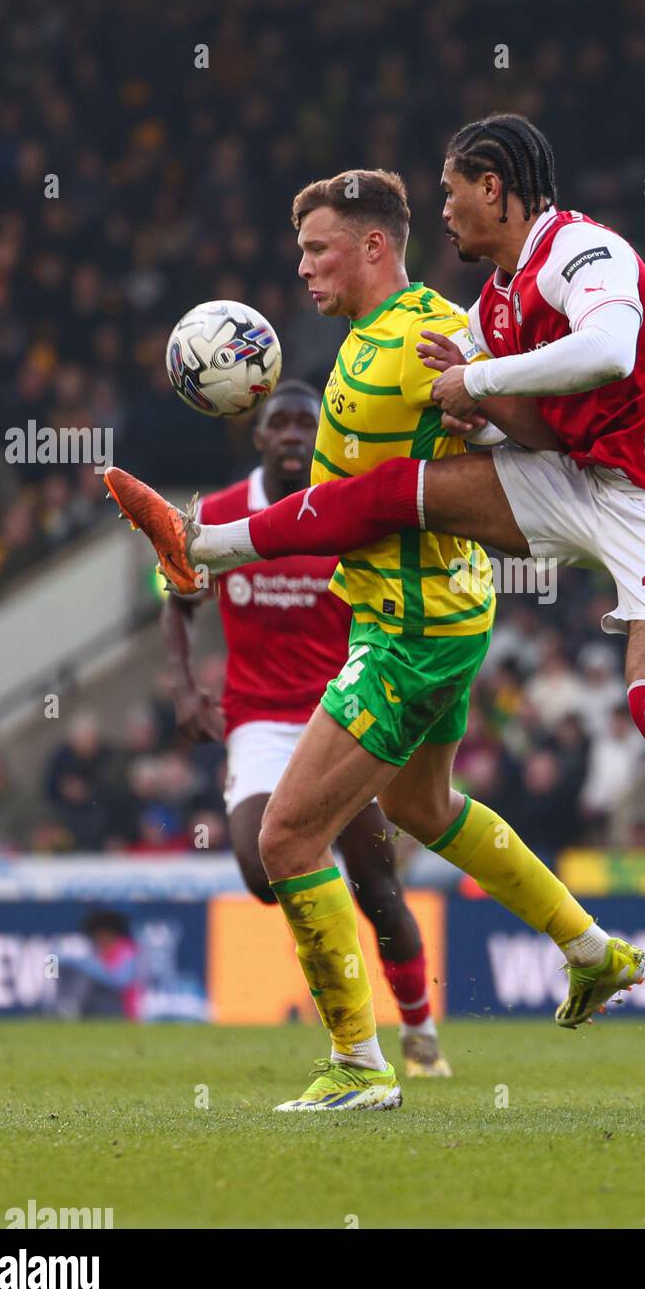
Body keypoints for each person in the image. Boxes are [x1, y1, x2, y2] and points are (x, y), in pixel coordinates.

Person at [107, 115, 645, 1028]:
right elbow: (527, 426)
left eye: (449, 191)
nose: (440, 211)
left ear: (494, 187)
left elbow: (608, 352)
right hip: (580, 476)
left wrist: (477, 384)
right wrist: (477, 403)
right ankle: (200, 544)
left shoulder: (581, 251)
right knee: (399, 488)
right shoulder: (493, 305)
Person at [108, 167, 645, 1112]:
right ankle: (592, 951)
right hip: (450, 612)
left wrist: (208, 545)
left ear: (372, 246)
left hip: (407, 631)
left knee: (285, 837)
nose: (304, 267)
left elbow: (358, 508)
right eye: (300, 250)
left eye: (318, 248)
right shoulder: (392, 334)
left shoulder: (404, 348)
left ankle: (359, 1065)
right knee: (427, 808)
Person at [161, 379, 452, 1077]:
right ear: (257, 436)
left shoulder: (344, 508)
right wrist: (184, 686)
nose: (293, 433)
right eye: (279, 423)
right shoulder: (225, 514)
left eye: (304, 423)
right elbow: (179, 598)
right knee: (265, 873)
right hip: (258, 723)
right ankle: (340, 971)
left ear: (321, 436)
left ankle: (419, 1033)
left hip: (348, 714)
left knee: (379, 889)